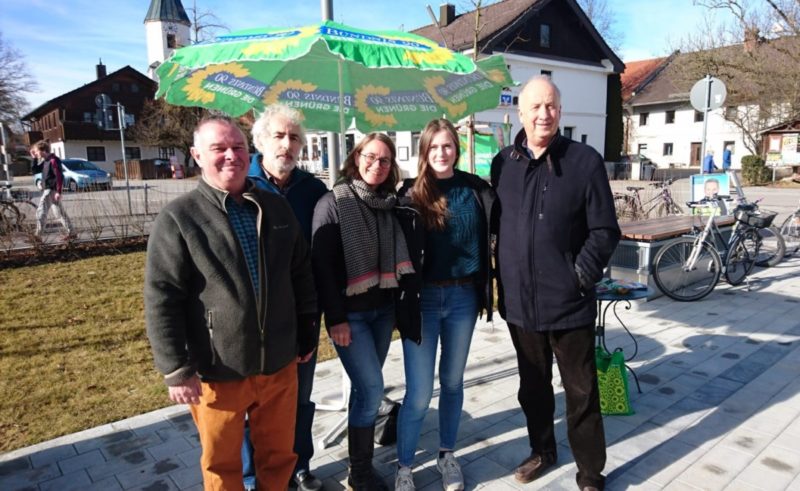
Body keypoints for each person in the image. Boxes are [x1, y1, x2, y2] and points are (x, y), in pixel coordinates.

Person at [144, 116, 318, 491]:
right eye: (218, 148)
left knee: (279, 457)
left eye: (238, 148)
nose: (230, 156)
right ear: (196, 155)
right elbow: (162, 297)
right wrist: (176, 368)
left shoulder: (275, 208)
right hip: (217, 370)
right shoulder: (179, 218)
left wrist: (306, 332)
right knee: (222, 468)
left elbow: (301, 273)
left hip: (278, 364)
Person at [490, 76, 620, 491]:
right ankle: (542, 451)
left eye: (551, 106)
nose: (544, 114)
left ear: (560, 112)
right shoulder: (502, 163)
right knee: (533, 388)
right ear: (520, 114)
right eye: (536, 107)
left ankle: (590, 472)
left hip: (569, 304)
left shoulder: (584, 161)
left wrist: (579, 276)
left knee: (581, 393)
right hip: (520, 306)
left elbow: (605, 230)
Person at [393, 119, 496, 491]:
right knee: (419, 393)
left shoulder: (476, 189)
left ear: (457, 148)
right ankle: (404, 466)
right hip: (422, 302)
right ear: (424, 151)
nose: (441, 153)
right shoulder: (408, 195)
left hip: (463, 297)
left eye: (447, 146)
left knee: (452, 382)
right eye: (433, 147)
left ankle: (446, 455)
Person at [311, 133, 413, 490]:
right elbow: (322, 268)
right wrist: (335, 318)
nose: (377, 165)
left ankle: (360, 465)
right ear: (356, 157)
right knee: (372, 389)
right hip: (350, 317)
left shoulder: (388, 204)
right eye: (370, 157)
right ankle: (359, 471)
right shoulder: (333, 202)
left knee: (363, 389)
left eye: (385, 160)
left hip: (382, 312)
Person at [241, 104, 328, 491]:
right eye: (278, 136)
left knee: (300, 397)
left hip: (302, 313)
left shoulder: (313, 190)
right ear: (260, 141)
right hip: (252, 316)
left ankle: (299, 465)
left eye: (294, 138)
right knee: (251, 403)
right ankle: (251, 477)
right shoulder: (242, 186)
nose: (286, 145)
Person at [29, 140, 73, 239]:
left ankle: (37, 236)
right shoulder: (46, 161)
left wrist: (58, 191)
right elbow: (35, 170)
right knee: (59, 213)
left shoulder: (53, 160)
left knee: (41, 211)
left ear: (43, 150)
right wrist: (34, 158)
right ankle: (72, 233)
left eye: (36, 151)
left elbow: (59, 176)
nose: (35, 153)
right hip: (49, 190)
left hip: (50, 190)